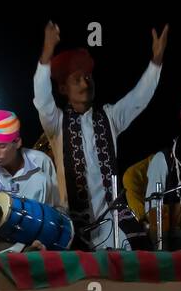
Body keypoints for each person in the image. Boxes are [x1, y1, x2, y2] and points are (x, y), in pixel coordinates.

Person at [33, 20, 168, 250]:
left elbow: (139, 97)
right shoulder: (56, 123)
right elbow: (42, 96)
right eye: (77, 79)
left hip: (113, 217)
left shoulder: (110, 117)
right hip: (72, 221)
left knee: (142, 256)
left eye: (88, 77)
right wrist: (47, 52)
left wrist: (156, 60)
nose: (85, 82)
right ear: (64, 89)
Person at [0, 109, 63, 252]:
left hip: (30, 238)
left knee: (40, 179)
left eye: (1, 146)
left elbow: (56, 208)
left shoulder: (41, 162)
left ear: (17, 142)